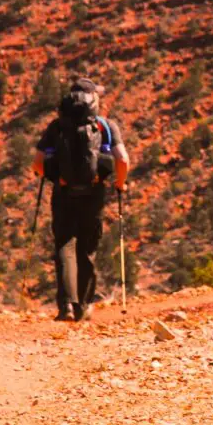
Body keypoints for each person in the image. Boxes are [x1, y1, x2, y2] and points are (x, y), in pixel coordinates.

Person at [33, 78, 129, 321]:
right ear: (93, 99)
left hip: (63, 193)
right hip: (94, 193)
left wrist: (57, 178)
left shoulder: (56, 127)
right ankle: (83, 306)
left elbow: (37, 163)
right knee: (86, 249)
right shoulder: (105, 126)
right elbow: (123, 160)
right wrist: (119, 183)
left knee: (65, 246)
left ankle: (65, 305)